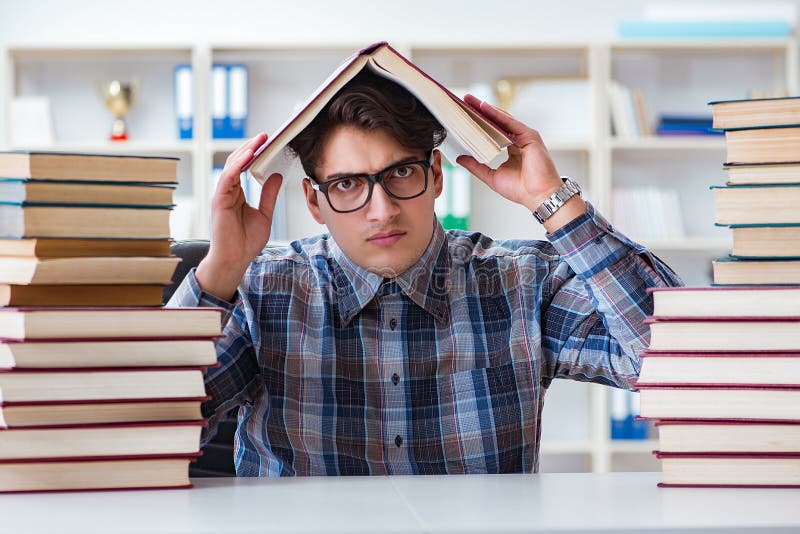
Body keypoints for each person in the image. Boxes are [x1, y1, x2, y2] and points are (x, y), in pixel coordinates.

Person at [169, 69, 682, 476]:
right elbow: (154, 423)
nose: (383, 210)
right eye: (348, 184)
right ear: (314, 201)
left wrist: (554, 203)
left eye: (400, 173)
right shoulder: (263, 289)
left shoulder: (523, 282)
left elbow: (679, 364)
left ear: (436, 175)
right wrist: (221, 272)